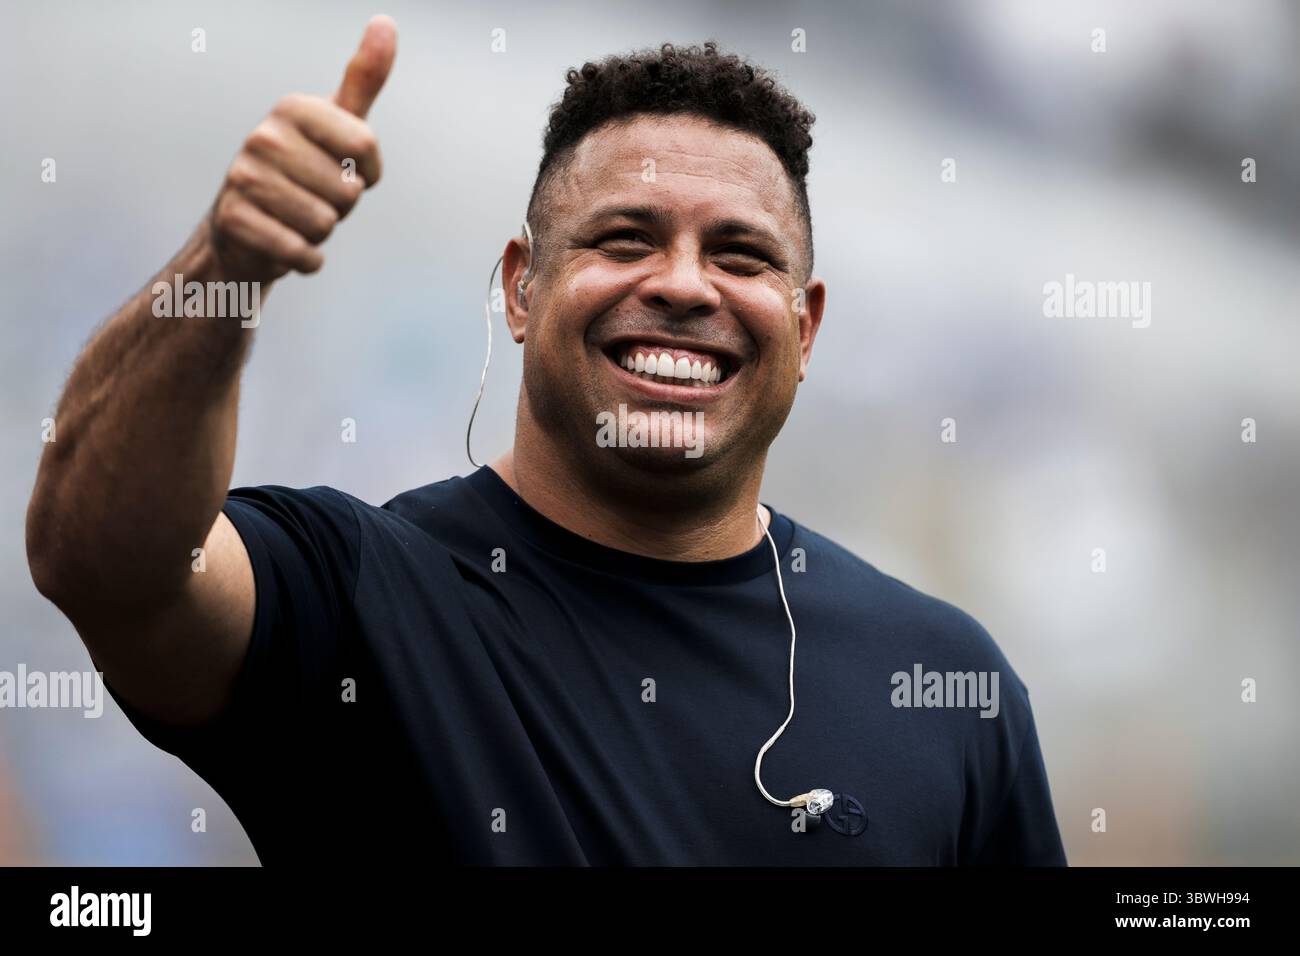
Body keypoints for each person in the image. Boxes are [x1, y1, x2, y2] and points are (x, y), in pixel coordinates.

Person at [25, 16, 1067, 866]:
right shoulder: (361, 598)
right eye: (626, 237)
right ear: (521, 286)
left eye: (741, 255)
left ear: (804, 328)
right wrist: (229, 261)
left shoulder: (941, 679)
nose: (683, 283)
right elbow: (108, 563)